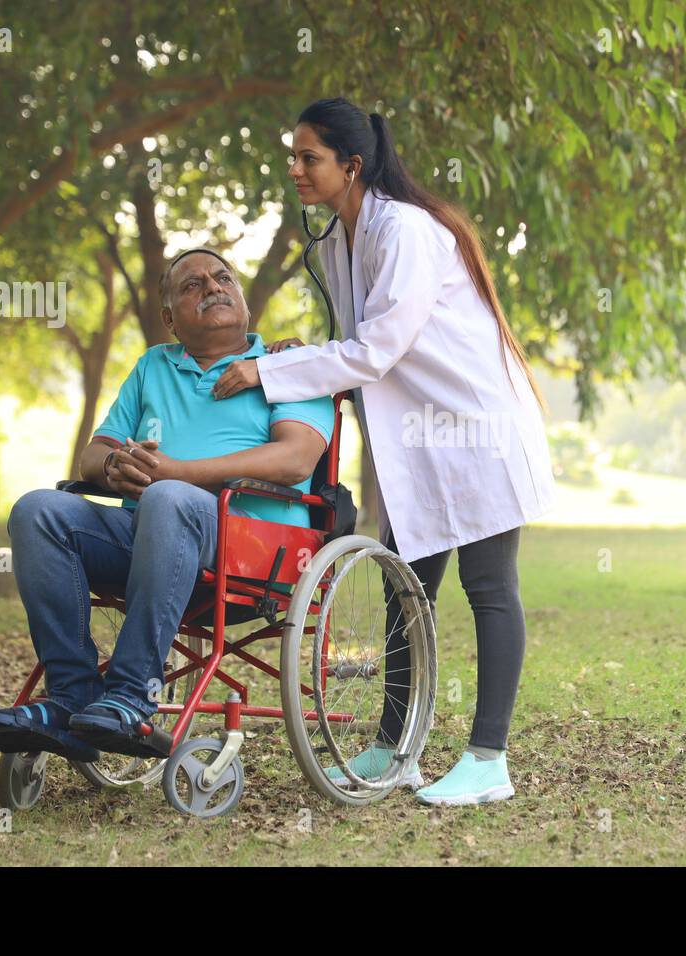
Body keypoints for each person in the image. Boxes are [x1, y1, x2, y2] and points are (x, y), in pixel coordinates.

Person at [210, 97, 556, 805]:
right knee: (407, 589)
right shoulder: (340, 237)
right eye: (295, 156)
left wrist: (269, 372)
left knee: (489, 588)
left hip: (479, 429)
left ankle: (489, 760)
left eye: (309, 157)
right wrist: (307, 356)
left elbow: (377, 347)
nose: (296, 169)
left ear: (351, 164)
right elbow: (365, 346)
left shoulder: (409, 232)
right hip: (422, 445)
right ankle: (397, 751)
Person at [0, 249, 334, 761]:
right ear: (169, 319)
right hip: (150, 535)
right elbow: (93, 454)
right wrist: (113, 466)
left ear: (244, 298)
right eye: (192, 285)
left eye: (223, 277)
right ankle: (71, 696)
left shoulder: (289, 365)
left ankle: (132, 695)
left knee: (168, 496)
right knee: (37, 510)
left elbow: (295, 459)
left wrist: (177, 473)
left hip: (254, 546)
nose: (212, 287)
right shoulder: (153, 367)